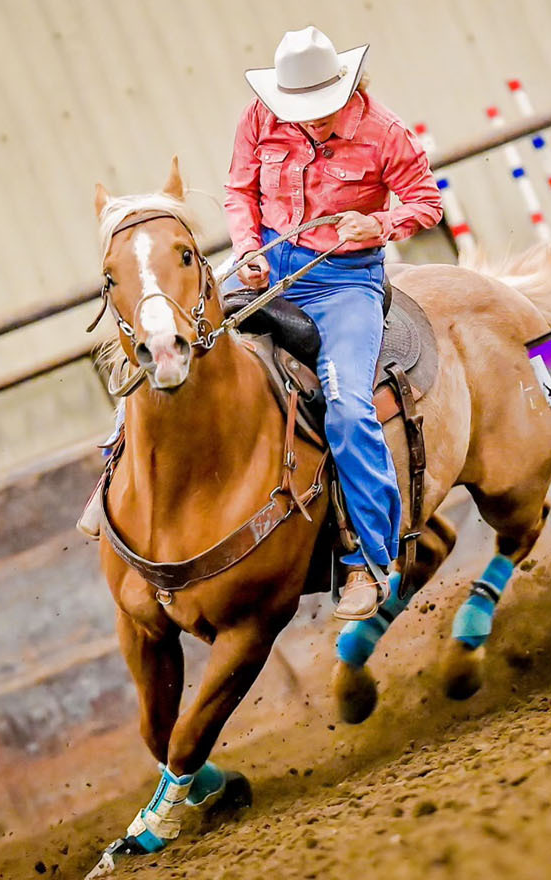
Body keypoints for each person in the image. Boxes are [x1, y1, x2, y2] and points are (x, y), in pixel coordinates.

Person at [222, 26, 443, 621]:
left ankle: (369, 564)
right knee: (178, 336)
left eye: (322, 112)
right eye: (301, 112)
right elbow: (240, 191)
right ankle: (115, 471)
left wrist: (381, 226)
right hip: (266, 267)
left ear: (349, 90)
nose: (311, 124)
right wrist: (248, 248)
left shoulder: (385, 134)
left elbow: (426, 202)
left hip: (344, 283)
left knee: (348, 407)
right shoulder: (259, 118)